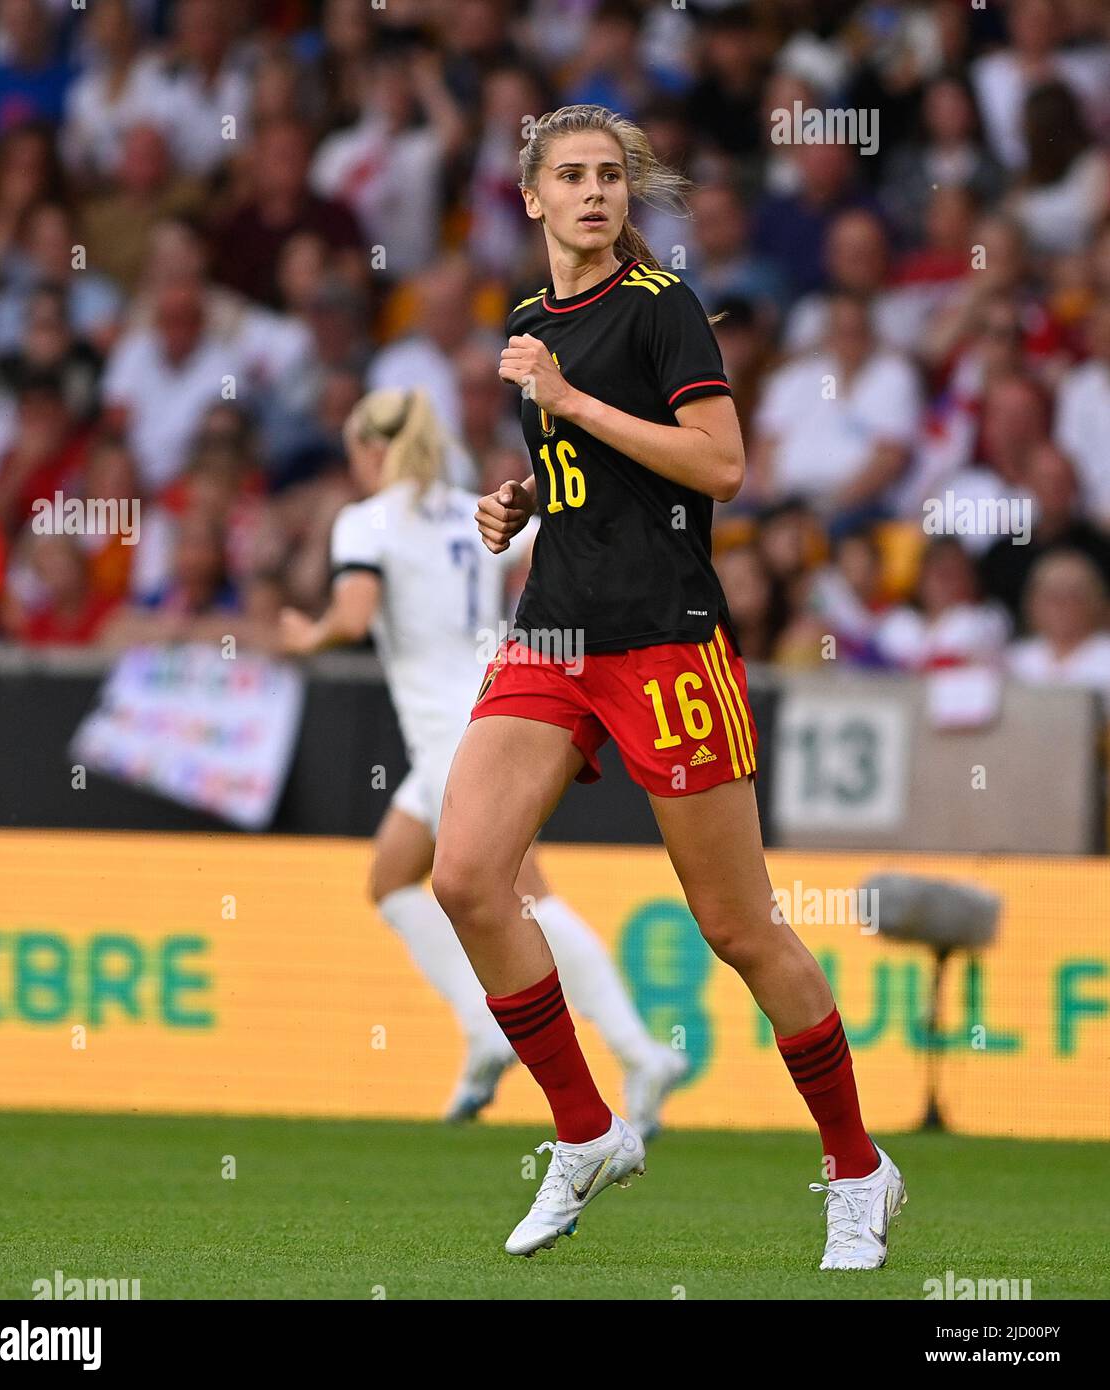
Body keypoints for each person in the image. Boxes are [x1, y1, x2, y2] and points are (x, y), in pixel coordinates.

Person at [432, 104, 906, 1267]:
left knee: (739, 928)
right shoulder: (534, 321)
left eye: (610, 177)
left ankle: (856, 1165)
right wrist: (519, 499)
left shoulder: (661, 309)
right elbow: (582, 473)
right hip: (551, 636)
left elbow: (721, 466)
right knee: (464, 876)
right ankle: (586, 1132)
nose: (595, 193)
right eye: (571, 178)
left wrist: (574, 405)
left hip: (664, 643)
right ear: (532, 199)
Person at [278, 387, 686, 1133]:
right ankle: (484, 1026)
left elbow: (356, 615)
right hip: (495, 702)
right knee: (393, 876)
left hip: (452, 734)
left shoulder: (366, 522)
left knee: (521, 893)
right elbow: (557, 540)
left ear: (371, 451)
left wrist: (306, 637)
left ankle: (637, 1051)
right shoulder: (477, 507)